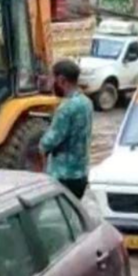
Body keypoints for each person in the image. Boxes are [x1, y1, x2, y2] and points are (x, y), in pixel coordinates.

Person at [40, 60, 94, 200]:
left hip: (63, 177)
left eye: (53, 79)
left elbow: (49, 141)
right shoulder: (86, 103)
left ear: (61, 80)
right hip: (81, 174)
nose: (51, 84)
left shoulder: (66, 108)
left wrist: (42, 145)